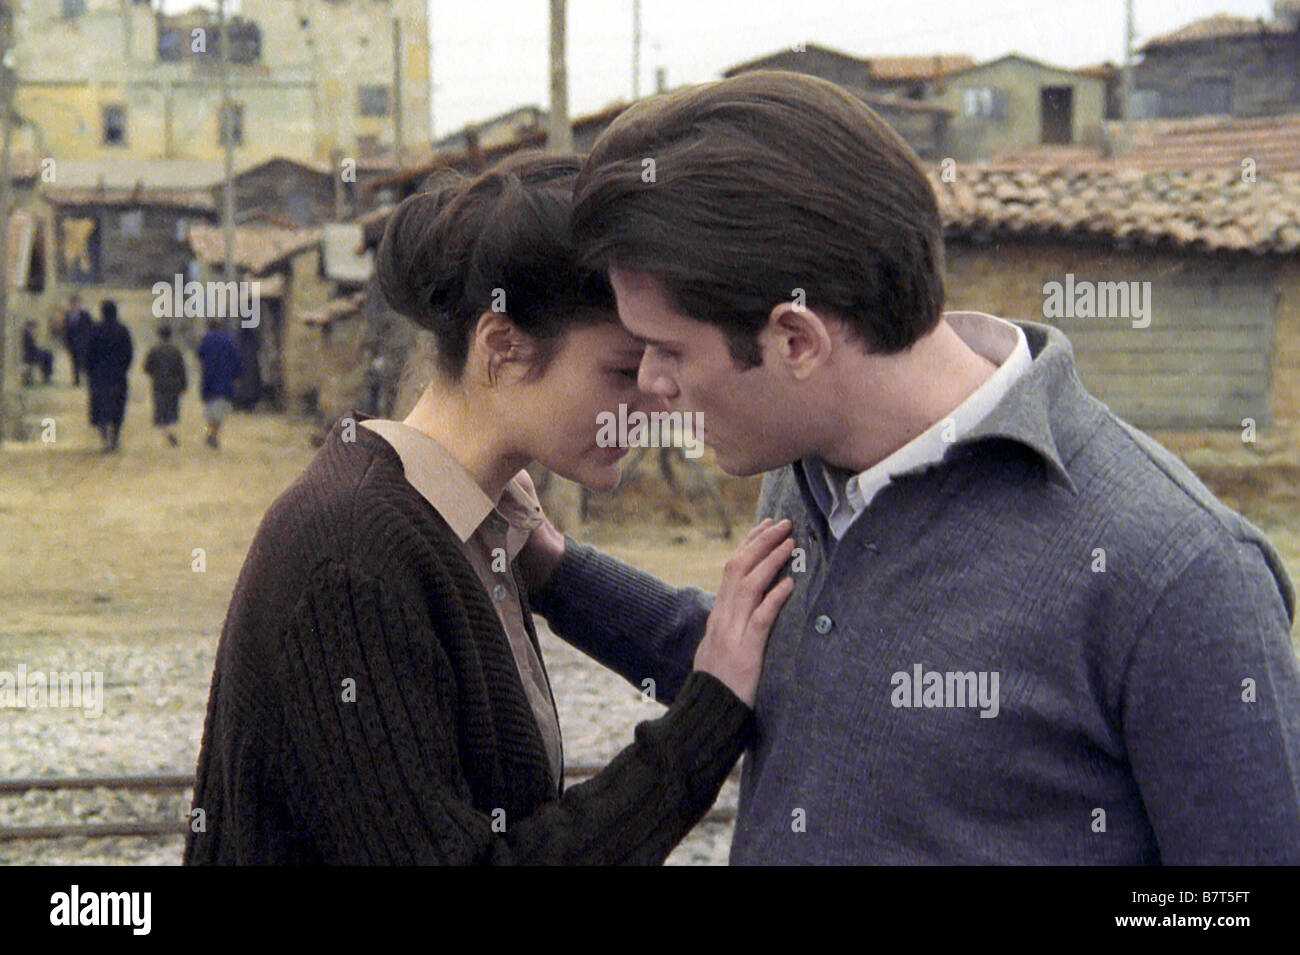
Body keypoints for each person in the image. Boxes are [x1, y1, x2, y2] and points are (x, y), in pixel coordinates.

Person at [512, 70, 1300, 864]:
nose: (651, 381)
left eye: (670, 349)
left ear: (796, 340)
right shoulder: (807, 464)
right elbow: (772, 667)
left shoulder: (1178, 571)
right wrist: (550, 568)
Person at [183, 150, 796, 865]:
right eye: (625, 369)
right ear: (501, 347)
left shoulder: (465, 523)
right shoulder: (352, 555)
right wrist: (701, 723)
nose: (661, 392)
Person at [84, 299, 132, 453]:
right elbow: (129, 353)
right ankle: (115, 437)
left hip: (99, 376)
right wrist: (123, 369)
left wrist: (89, 371)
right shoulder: (122, 330)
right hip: (118, 376)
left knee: (101, 407)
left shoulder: (95, 330)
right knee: (117, 407)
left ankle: (105, 438)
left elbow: (88, 353)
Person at [196, 318, 241, 449]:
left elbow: (199, 355)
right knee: (220, 409)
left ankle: (212, 433)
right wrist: (236, 374)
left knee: (211, 408)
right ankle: (214, 433)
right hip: (224, 378)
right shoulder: (228, 340)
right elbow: (235, 358)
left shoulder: (205, 340)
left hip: (209, 379)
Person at [143, 324, 187, 446]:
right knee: (172, 410)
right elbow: (182, 369)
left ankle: (167, 434)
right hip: (174, 385)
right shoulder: (176, 351)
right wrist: (184, 384)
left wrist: (155, 374)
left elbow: (146, 368)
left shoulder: (154, 350)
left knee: (161, 410)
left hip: (159, 384)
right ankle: (171, 432)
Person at [62, 294, 94, 387]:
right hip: (72, 342)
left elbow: (91, 327)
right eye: (73, 303)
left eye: (77, 303)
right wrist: (66, 342)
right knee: (74, 361)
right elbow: (66, 329)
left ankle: (86, 379)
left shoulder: (85, 314)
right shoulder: (68, 315)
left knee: (84, 362)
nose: (75, 305)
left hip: (84, 342)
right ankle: (76, 380)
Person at [20, 320, 54, 385]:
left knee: (48, 354)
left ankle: (47, 376)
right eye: (33, 327)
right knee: (48, 356)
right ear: (29, 327)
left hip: (32, 353)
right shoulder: (27, 335)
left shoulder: (28, 334)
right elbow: (31, 347)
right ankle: (47, 377)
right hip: (30, 355)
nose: (35, 329)